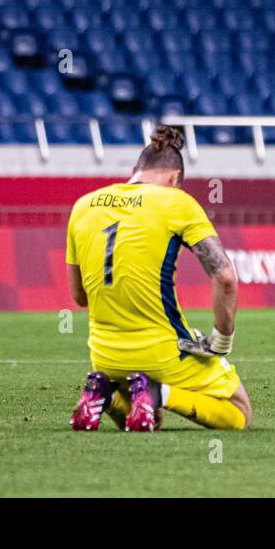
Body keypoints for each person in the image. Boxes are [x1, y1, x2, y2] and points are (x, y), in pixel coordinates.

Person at [66, 125, 252, 431]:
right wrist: (221, 341)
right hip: (164, 353)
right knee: (240, 412)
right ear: (175, 179)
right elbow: (225, 276)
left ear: (135, 170)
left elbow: (79, 296)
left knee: (152, 416)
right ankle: (159, 390)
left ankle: (106, 394)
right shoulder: (177, 202)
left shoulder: (83, 206)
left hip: (105, 356)